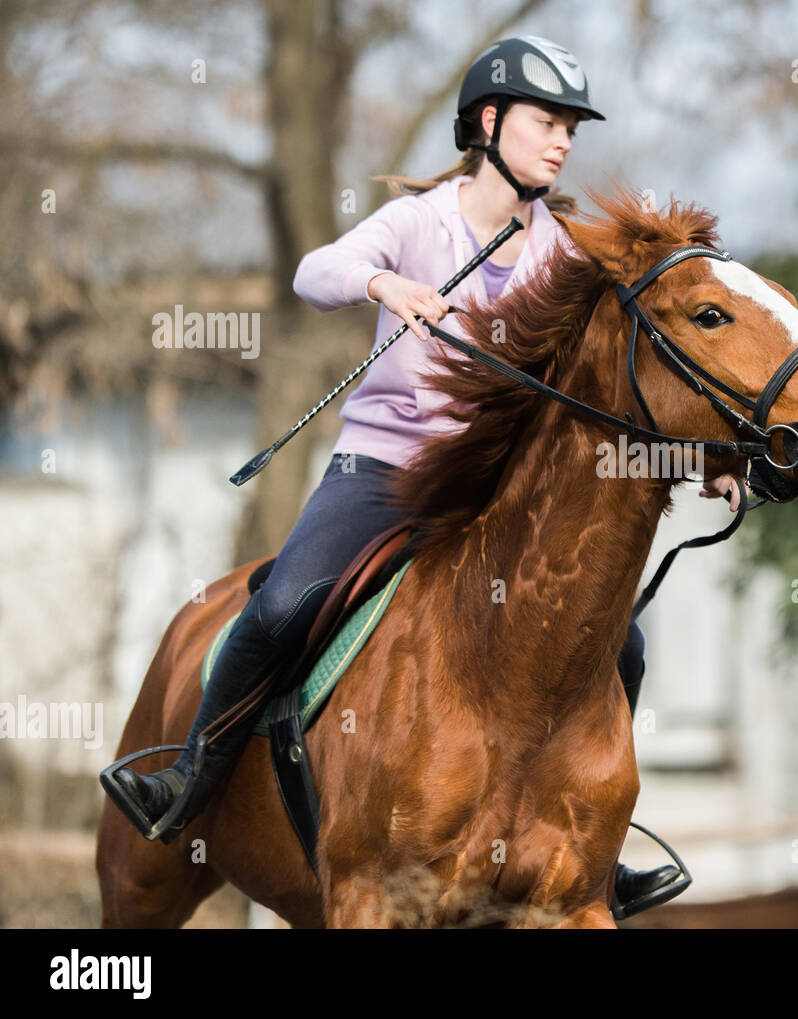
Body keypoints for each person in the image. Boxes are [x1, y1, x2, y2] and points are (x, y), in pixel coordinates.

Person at [101, 35, 741, 920]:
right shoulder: (420, 223)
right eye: (544, 122)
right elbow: (310, 273)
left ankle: (596, 851)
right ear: (487, 122)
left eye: (570, 129)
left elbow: (617, 385)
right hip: (387, 471)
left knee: (622, 642)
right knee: (286, 602)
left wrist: (695, 455)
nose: (561, 142)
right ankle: (191, 774)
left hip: (499, 494)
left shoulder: (564, 254)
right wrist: (382, 284)